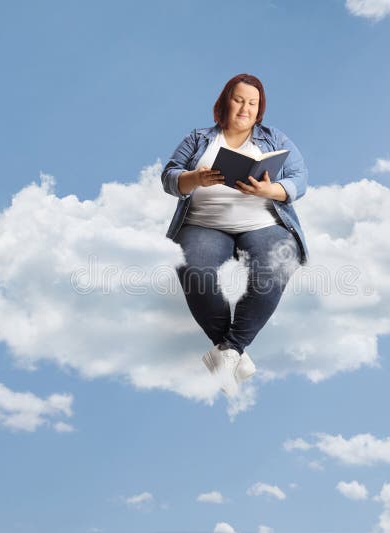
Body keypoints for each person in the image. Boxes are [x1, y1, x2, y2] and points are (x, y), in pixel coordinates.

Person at [161, 73, 310, 396]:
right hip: (204, 223)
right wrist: (196, 178)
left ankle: (228, 351)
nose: (245, 108)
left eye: (253, 103)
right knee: (193, 268)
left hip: (261, 223)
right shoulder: (198, 139)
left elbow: (300, 178)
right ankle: (232, 352)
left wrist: (273, 189)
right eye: (239, 100)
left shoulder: (276, 139)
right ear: (225, 101)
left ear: (260, 110)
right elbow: (169, 178)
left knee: (277, 265)